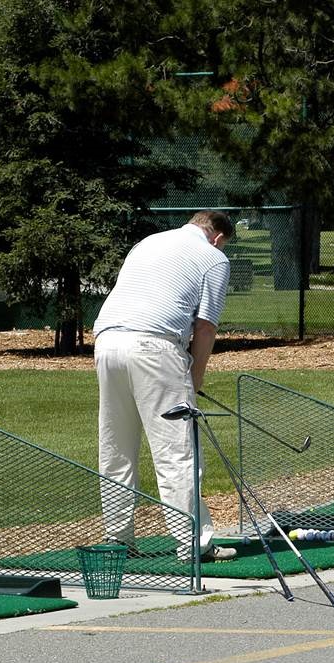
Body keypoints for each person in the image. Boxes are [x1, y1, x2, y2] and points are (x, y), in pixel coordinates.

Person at [93, 211, 237, 563]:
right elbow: (205, 328)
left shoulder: (148, 242)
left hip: (107, 343)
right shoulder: (214, 257)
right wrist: (196, 375)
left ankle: (118, 539)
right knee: (177, 451)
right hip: (154, 347)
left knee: (116, 447)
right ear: (218, 237)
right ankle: (195, 544)